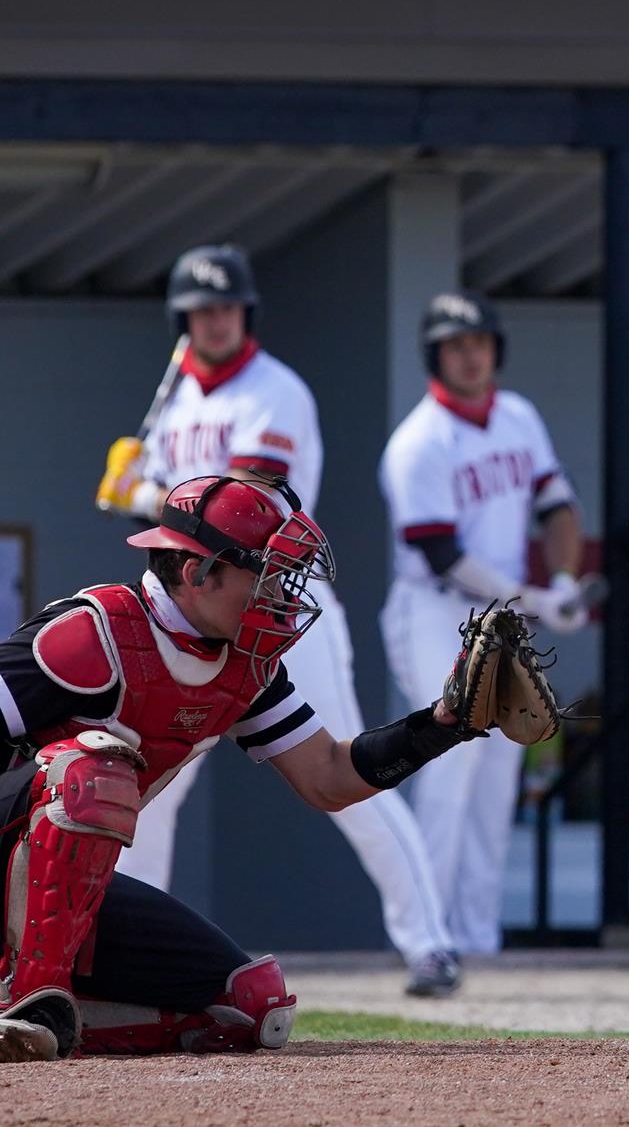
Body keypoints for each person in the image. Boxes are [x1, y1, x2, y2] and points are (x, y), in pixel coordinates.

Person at [0, 475, 495, 1061]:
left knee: (245, 1008)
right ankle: (28, 1003)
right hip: (13, 860)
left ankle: (41, 1020)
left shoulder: (244, 666)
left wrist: (446, 722)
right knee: (94, 772)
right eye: (264, 573)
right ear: (196, 572)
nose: (280, 592)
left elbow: (329, 776)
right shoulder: (89, 635)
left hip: (47, 894)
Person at [95, 245, 458, 997]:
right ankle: (110, 947)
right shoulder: (182, 401)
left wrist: (142, 491)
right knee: (149, 782)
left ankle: (430, 942)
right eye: (201, 308)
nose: (215, 318)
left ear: (246, 311)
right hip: (198, 612)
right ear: (183, 317)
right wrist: (145, 482)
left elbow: (241, 503)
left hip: (283, 606)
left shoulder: (276, 390)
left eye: (226, 305)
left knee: (345, 770)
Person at [379, 291, 590, 961]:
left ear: (494, 349)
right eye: (454, 345)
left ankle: (478, 935)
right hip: (436, 607)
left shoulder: (519, 417)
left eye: (478, 343)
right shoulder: (418, 442)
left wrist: (561, 582)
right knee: (450, 761)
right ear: (435, 356)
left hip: (504, 614)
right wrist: (529, 593)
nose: (469, 355)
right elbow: (441, 551)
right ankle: (427, 936)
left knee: (500, 768)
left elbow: (557, 506)